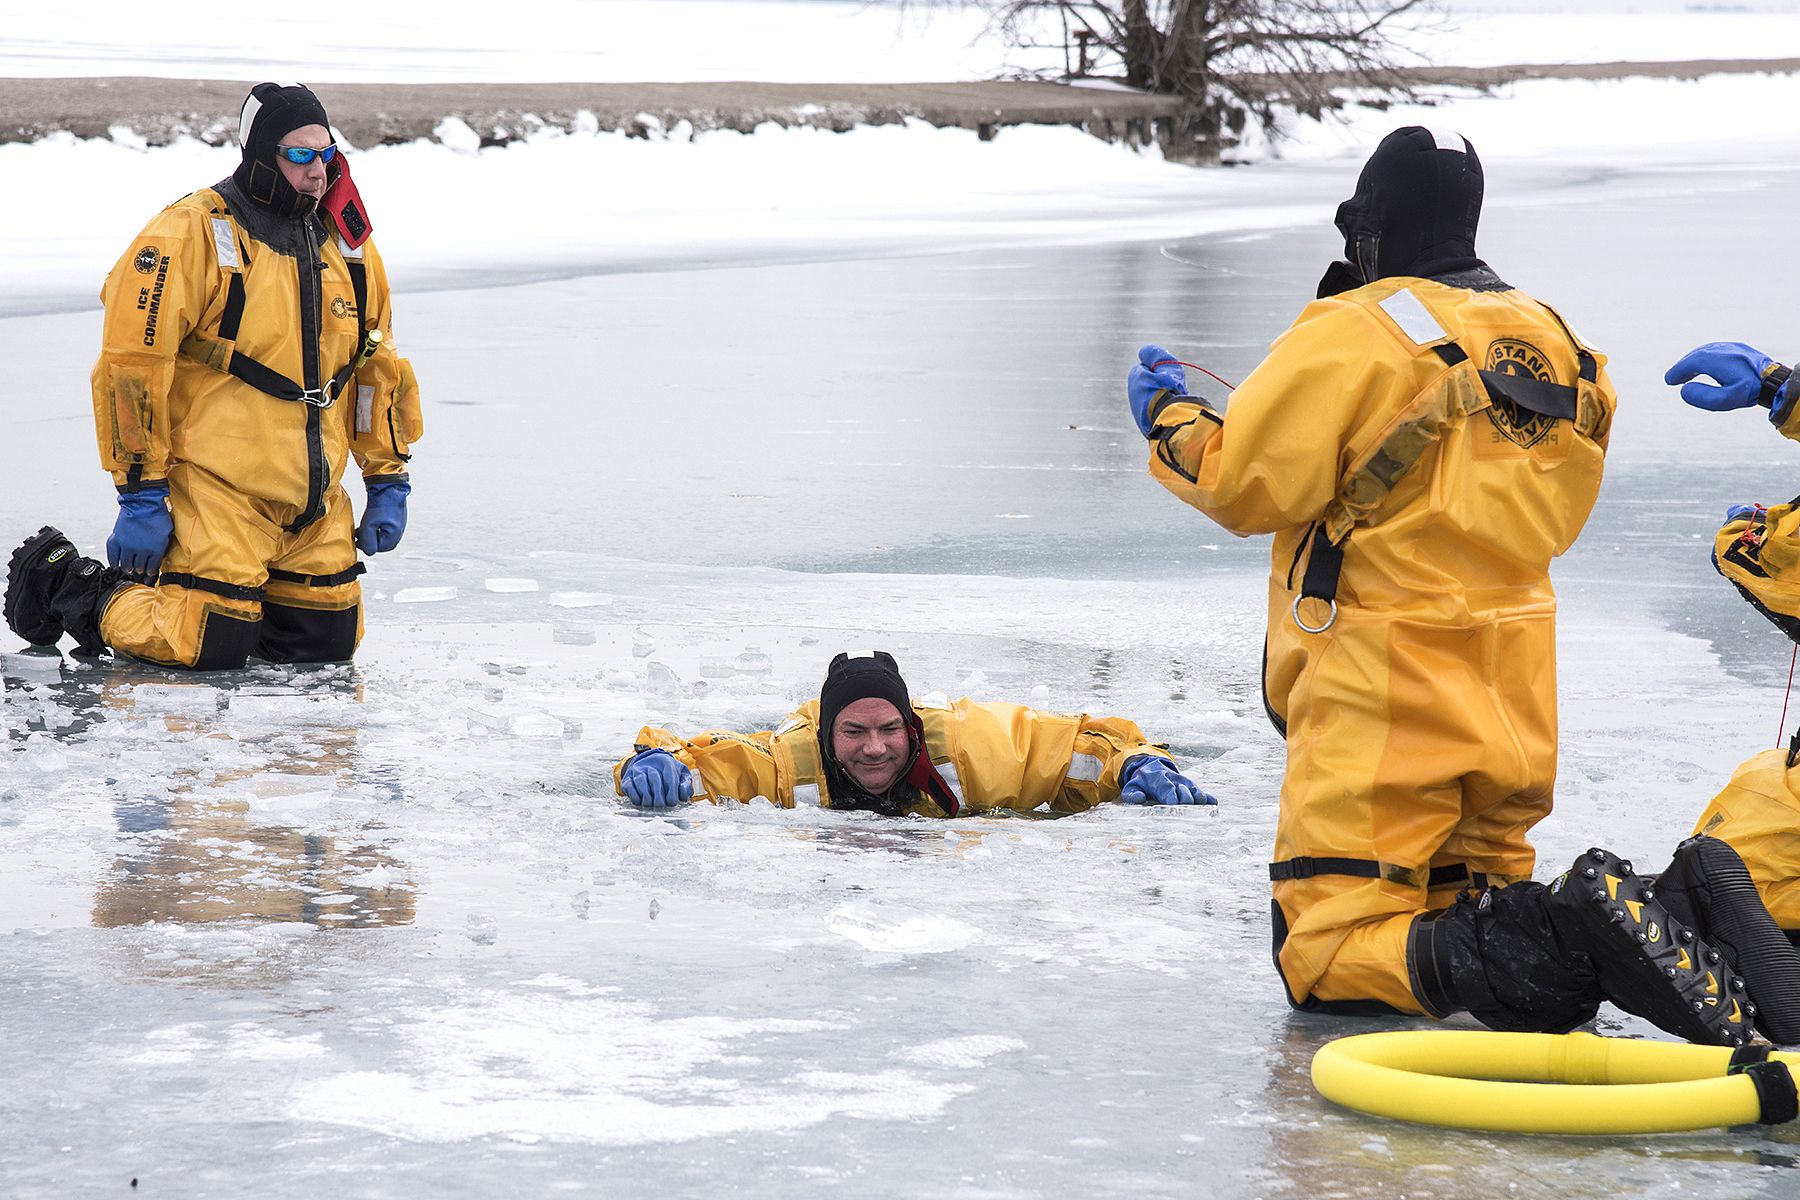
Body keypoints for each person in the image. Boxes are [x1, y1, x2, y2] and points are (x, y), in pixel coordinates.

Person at [1127, 125, 1800, 1047]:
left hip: (1386, 688)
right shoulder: (1560, 340)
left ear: (1371, 227)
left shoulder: (1357, 331)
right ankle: (1677, 906)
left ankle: (1583, 927)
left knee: (1330, 953)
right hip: (1514, 689)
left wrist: (1173, 419)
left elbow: (1247, 482)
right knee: (1470, 921)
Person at [3, 82, 421, 669]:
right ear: (261, 155)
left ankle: (238, 599)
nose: (317, 171)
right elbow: (132, 367)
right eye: (300, 154)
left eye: (326, 153)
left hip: (314, 500)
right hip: (216, 488)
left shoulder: (347, 246)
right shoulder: (190, 232)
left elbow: (377, 366)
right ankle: (69, 584)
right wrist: (141, 492)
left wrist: (387, 477)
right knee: (207, 639)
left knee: (325, 645)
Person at [614, 650, 1212, 816]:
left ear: (912, 726)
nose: (874, 748)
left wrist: (1136, 765)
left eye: (889, 729)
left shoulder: (972, 747)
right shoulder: (785, 766)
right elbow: (699, 763)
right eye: (853, 731)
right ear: (826, 736)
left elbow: (1072, 749)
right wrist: (648, 765)